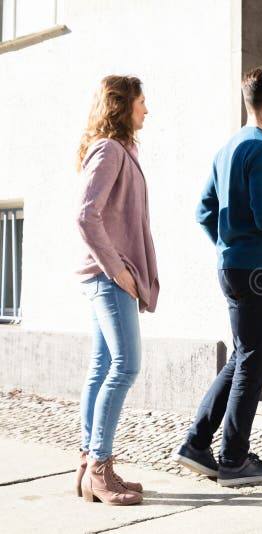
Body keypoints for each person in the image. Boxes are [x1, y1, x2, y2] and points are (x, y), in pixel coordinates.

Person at [173, 66, 262, 486]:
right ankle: (234, 460)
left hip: (231, 266)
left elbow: (204, 212)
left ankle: (198, 444)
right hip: (258, 271)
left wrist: (227, 244)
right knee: (253, 360)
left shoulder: (228, 147)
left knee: (242, 355)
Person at [75, 75, 159, 505]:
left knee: (102, 365)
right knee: (125, 366)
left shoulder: (123, 150)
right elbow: (86, 215)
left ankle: (90, 463)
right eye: (142, 102)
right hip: (108, 277)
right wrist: (119, 271)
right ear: (122, 105)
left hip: (105, 275)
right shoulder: (109, 150)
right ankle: (100, 469)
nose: (147, 109)